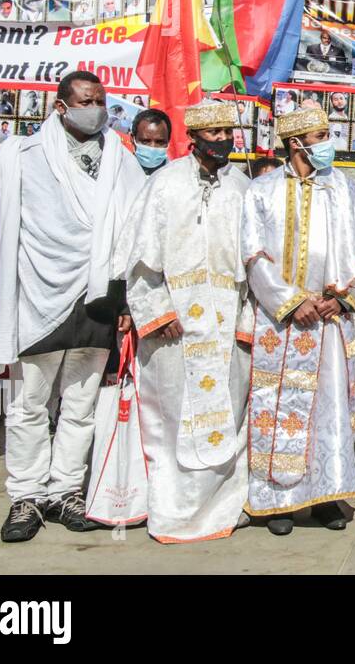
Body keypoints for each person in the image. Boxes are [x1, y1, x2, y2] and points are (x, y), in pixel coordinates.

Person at [0, 71, 145, 543]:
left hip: (96, 303)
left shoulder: (121, 160)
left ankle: (66, 491)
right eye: (86, 101)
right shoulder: (22, 157)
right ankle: (26, 496)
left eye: (101, 101)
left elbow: (131, 240)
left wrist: (127, 301)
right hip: (36, 296)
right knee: (29, 404)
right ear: (61, 106)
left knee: (81, 404)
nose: (96, 109)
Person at [112, 101, 251, 543]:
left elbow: (258, 264)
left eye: (228, 133)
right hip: (176, 325)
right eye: (213, 135)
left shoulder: (242, 188)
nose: (222, 141)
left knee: (226, 413)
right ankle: (173, 512)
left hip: (228, 322)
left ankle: (224, 507)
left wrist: (248, 320)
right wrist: (155, 312)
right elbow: (136, 260)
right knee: (174, 416)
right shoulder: (165, 184)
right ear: (194, 138)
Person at [239, 107, 355, 535]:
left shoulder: (344, 188)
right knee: (276, 409)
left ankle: (328, 497)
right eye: (321, 135)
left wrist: (341, 296)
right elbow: (253, 254)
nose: (329, 141)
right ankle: (278, 500)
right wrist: (290, 301)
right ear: (296, 143)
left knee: (329, 408)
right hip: (281, 322)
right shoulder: (261, 191)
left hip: (329, 318)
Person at [131, 108, 172, 175]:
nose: (152, 147)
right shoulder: (118, 171)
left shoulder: (176, 177)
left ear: (168, 141)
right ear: (132, 139)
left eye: (159, 142)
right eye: (145, 141)